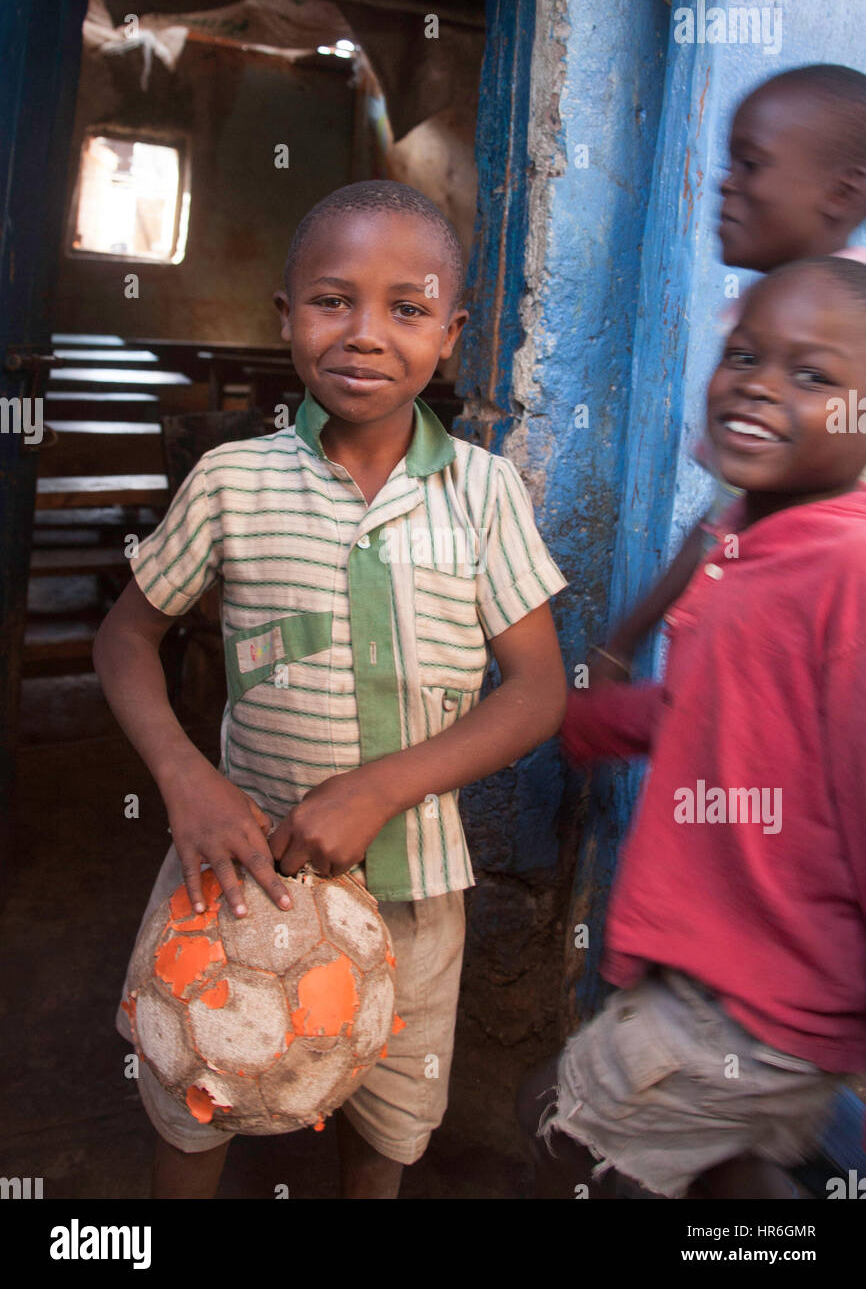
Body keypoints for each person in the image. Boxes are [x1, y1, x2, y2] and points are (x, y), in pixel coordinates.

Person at [93, 180, 567, 1199]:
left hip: (414, 899)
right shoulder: (231, 480)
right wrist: (184, 777)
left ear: (451, 331)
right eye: (330, 299)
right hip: (233, 879)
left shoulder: (484, 494)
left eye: (405, 308)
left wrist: (382, 786)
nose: (364, 333)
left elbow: (535, 691)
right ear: (284, 315)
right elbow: (126, 640)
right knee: (197, 1094)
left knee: (386, 1125)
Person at [518, 256, 866, 1199]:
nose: (757, 384)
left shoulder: (847, 575)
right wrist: (583, 720)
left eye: (813, 376)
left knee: (564, 1136)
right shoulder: (752, 545)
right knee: (716, 1171)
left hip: (762, 1002)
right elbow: (713, 713)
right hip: (738, 989)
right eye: (744, 354)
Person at [593, 64, 866, 687]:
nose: (723, 184)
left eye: (751, 165)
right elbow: (726, 514)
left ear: (842, 194)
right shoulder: (762, 318)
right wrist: (623, 646)